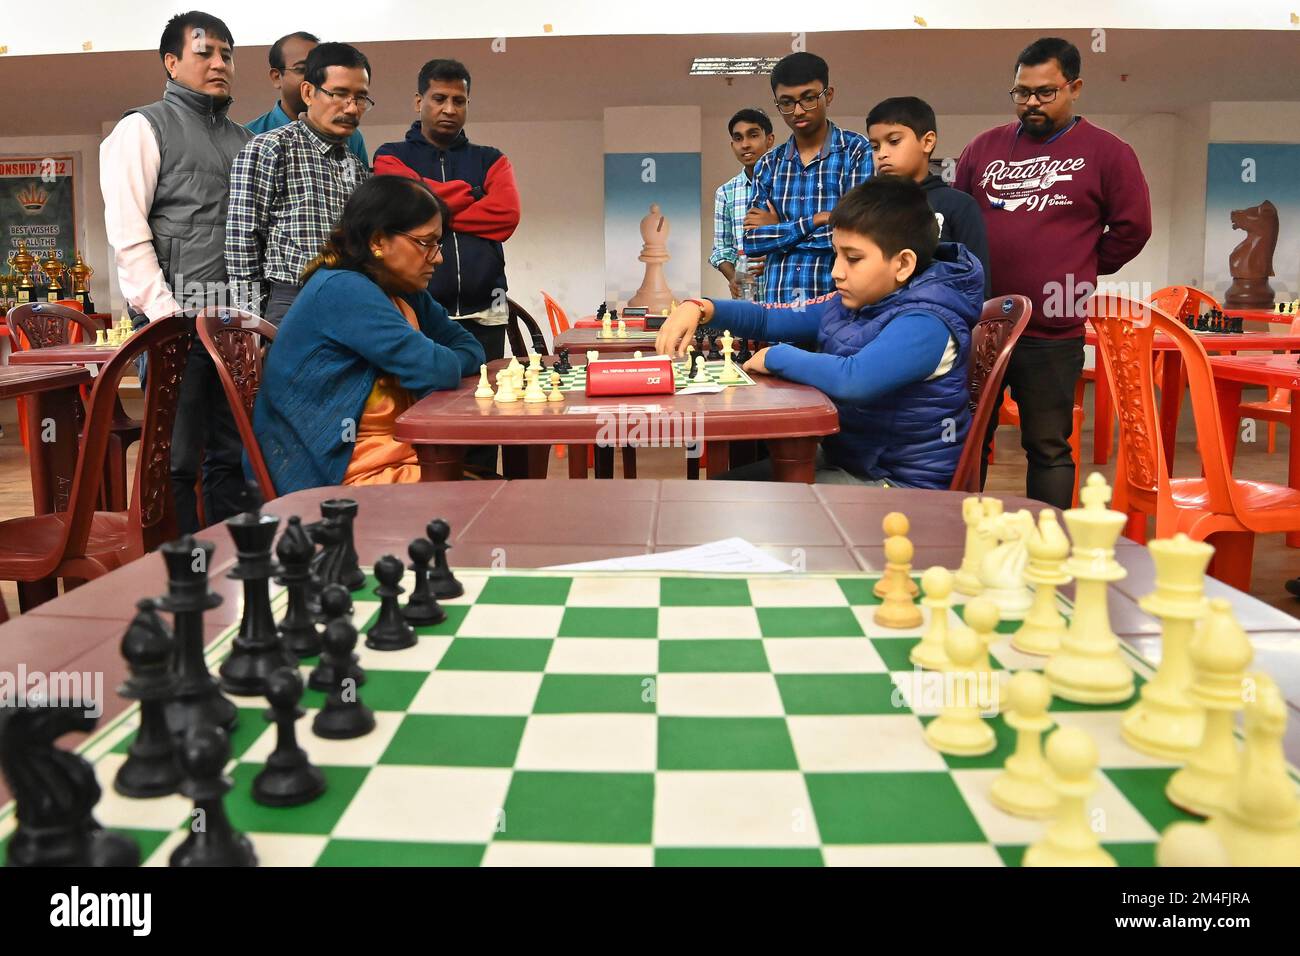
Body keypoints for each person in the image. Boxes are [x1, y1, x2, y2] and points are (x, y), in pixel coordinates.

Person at [656, 177, 984, 489]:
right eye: (836, 254)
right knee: (717, 494)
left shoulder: (927, 322)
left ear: (902, 265)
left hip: (898, 487)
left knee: (733, 504)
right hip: (850, 461)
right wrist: (701, 309)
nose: (836, 271)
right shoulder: (856, 301)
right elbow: (768, 320)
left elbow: (853, 379)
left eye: (853, 259)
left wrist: (775, 356)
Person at [955, 37, 1151, 508]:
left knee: (1047, 446)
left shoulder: (1108, 152)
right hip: (982, 326)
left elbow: (1133, 228)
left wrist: (1078, 266)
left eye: (1045, 92)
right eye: (1022, 92)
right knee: (965, 441)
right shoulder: (984, 148)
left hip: (1053, 330)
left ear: (1075, 87)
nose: (1031, 103)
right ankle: (959, 540)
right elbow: (958, 221)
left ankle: (1050, 553)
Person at [100, 10, 252, 532]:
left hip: (231, 329)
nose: (219, 63)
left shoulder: (243, 140)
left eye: (227, 54)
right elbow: (129, 234)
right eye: (204, 52)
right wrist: (167, 317)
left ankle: (233, 570)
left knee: (232, 460)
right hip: (173, 328)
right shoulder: (141, 128)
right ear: (171, 62)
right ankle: (178, 579)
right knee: (177, 460)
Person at [253, 176, 485, 494]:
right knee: (501, 504)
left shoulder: (401, 288)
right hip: (336, 477)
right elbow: (435, 371)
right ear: (378, 242)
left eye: (438, 244)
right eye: (425, 243)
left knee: (502, 500)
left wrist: (434, 357)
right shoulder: (343, 289)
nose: (438, 257)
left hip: (392, 459)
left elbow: (469, 347)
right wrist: (433, 358)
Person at [373, 57, 520, 477]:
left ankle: (480, 500)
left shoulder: (492, 158)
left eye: (459, 100)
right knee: (422, 415)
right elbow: (398, 213)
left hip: (485, 311)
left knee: (484, 416)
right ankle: (429, 501)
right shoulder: (390, 156)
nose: (449, 109)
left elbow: (506, 216)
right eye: (439, 98)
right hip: (416, 314)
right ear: (419, 100)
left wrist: (431, 208)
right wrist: (471, 198)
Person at [226, 42, 372, 325]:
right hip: (291, 302)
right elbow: (241, 245)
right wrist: (253, 327)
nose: (352, 108)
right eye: (339, 94)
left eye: (361, 97)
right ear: (308, 92)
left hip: (351, 302)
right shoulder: (269, 149)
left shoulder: (357, 167)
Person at [743, 52, 873, 305]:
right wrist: (818, 220)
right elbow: (753, 243)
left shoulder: (856, 151)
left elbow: (856, 233)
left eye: (809, 98)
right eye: (787, 102)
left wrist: (780, 230)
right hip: (778, 308)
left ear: (829, 94)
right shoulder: (769, 164)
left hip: (836, 306)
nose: (798, 111)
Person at [866, 96, 991, 298]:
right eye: (875, 146)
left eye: (893, 141)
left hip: (939, 321)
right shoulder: (868, 207)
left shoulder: (959, 205)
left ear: (927, 141)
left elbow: (978, 287)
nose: (882, 154)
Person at [243, 31, 369, 165]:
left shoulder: (352, 137)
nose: (315, 78)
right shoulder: (250, 135)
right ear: (276, 77)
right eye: (303, 69)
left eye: (320, 70)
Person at [709, 108, 775, 301]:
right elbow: (721, 249)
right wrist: (733, 278)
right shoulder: (725, 193)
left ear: (769, 140)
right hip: (747, 297)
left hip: (784, 292)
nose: (745, 144)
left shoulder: (788, 184)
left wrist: (774, 260)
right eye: (738, 138)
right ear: (732, 145)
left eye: (753, 135)